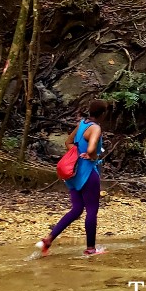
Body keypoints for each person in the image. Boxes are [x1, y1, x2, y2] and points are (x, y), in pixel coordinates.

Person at [37, 100, 107, 257]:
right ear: (103, 114)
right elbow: (91, 148)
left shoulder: (82, 123)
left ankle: (48, 239)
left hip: (73, 174)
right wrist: (92, 156)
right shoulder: (95, 128)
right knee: (91, 211)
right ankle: (91, 249)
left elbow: (68, 142)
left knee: (76, 210)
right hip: (87, 173)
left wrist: (77, 153)